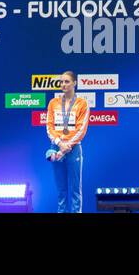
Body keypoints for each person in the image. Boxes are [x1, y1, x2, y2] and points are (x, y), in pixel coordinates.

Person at [45, 71, 89, 213]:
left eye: (67, 81)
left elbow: (81, 129)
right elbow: (49, 127)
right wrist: (60, 144)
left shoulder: (82, 104)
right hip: (56, 147)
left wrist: (68, 145)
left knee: (76, 190)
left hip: (74, 148)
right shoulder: (53, 103)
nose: (63, 84)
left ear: (74, 83)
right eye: (61, 82)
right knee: (61, 191)